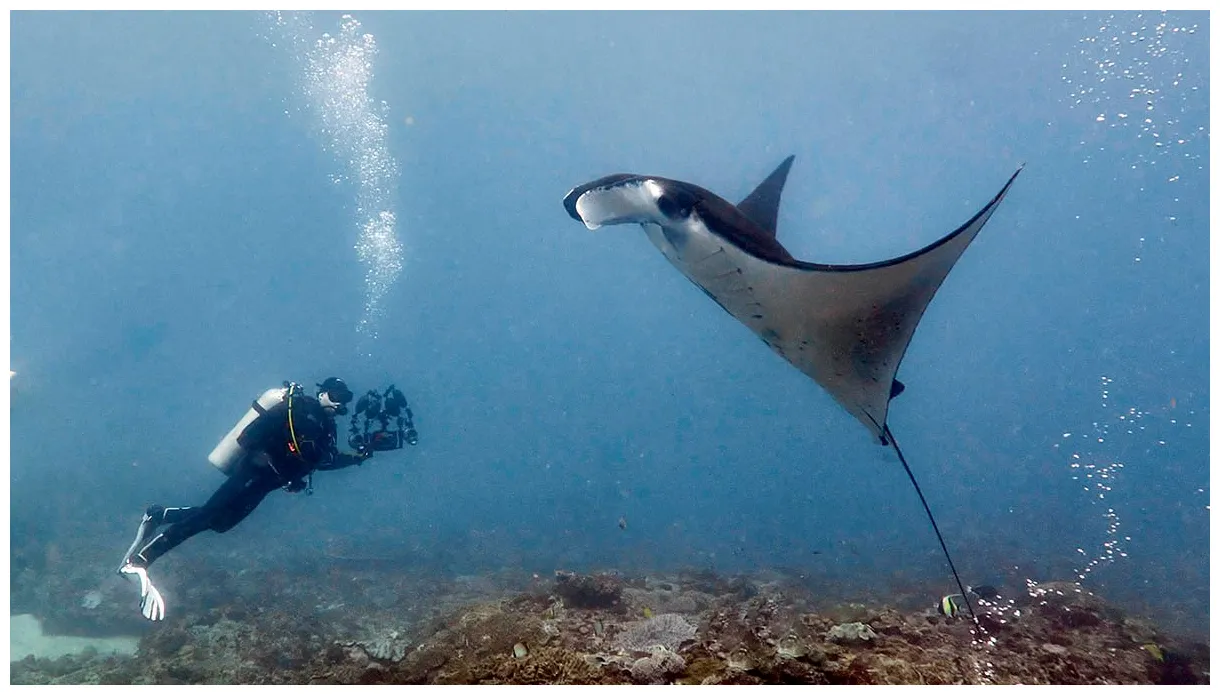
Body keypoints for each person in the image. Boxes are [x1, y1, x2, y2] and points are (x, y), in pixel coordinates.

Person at [116, 377, 376, 621]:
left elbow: (324, 461)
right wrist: (266, 457)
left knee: (220, 523)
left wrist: (357, 459)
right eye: (336, 395)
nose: (341, 401)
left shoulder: (327, 427)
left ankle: (160, 515)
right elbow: (248, 435)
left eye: (346, 397)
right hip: (253, 471)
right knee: (208, 516)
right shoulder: (297, 409)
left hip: (267, 483)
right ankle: (139, 562)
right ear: (322, 394)